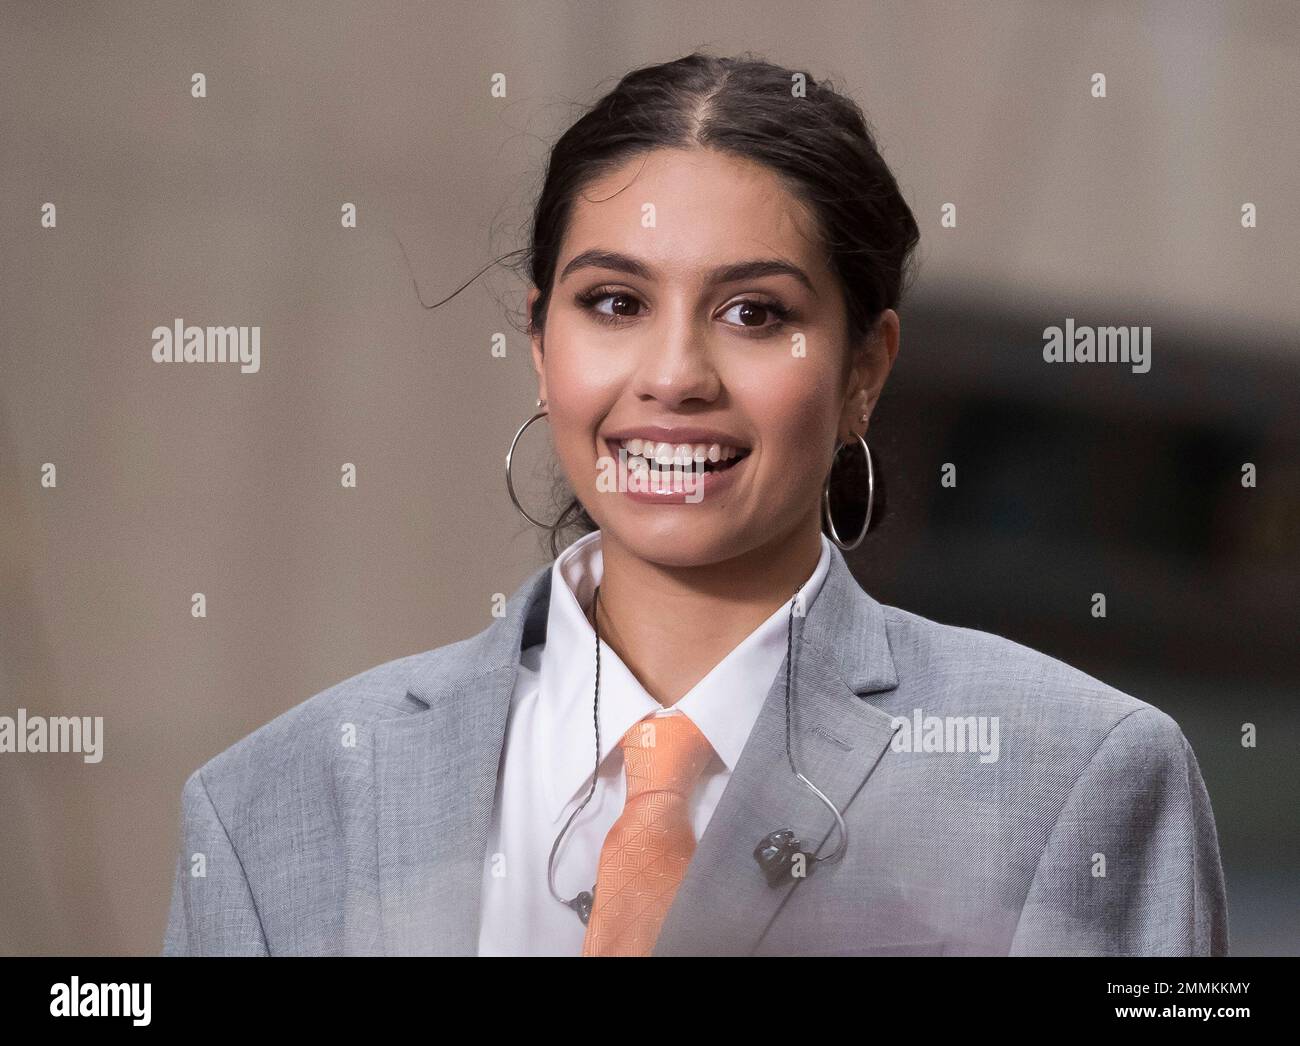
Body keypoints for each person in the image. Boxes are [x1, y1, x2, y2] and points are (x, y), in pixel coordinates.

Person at [162, 50, 1228, 956]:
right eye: (614, 302)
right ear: (541, 345)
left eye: (754, 312)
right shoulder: (274, 803)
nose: (674, 374)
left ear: (865, 366)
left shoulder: (1077, 775)